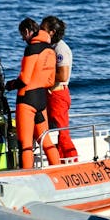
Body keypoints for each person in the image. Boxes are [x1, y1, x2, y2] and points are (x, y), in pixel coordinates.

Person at [5, 18, 61, 169]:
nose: (23, 39)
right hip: (41, 99)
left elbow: (24, 79)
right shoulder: (50, 50)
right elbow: (50, 80)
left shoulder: (32, 48)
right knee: (46, 140)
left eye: (23, 35)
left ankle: (27, 175)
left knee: (26, 144)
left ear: (27, 31)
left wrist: (9, 85)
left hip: (27, 100)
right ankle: (57, 170)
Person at [40, 15, 78, 161]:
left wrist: (42, 77)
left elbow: (62, 75)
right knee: (50, 130)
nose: (40, 32)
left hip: (57, 94)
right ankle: (56, 158)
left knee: (62, 131)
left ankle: (71, 159)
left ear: (51, 32)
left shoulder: (60, 48)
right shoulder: (50, 47)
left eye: (43, 29)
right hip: (49, 94)